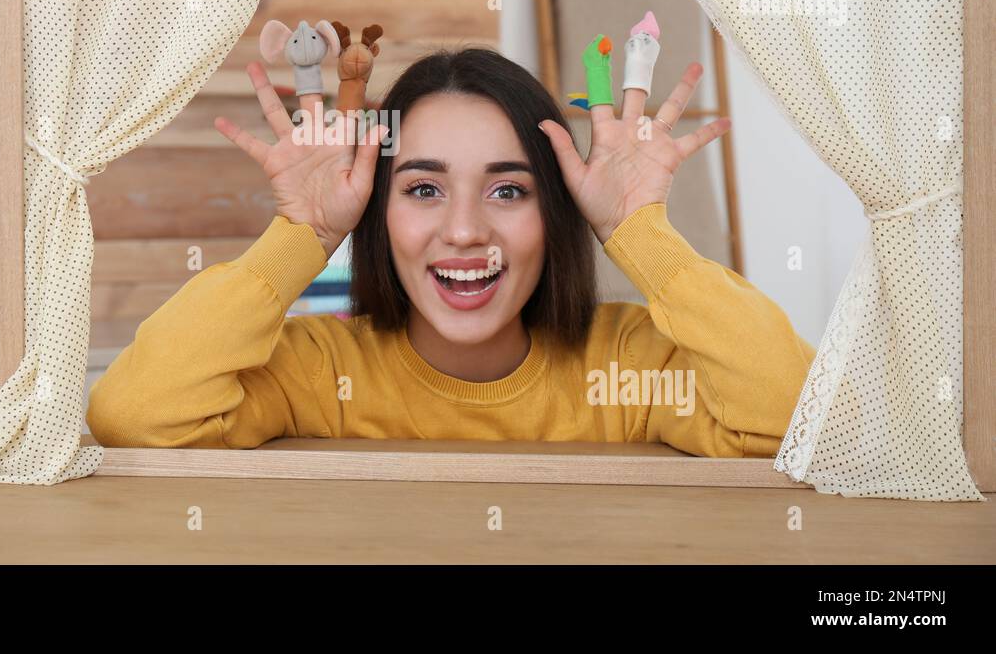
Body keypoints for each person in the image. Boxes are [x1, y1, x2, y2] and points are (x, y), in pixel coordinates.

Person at [86, 46, 816, 457]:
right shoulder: (317, 373)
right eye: (424, 190)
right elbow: (136, 414)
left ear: (555, 214)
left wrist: (638, 230)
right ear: (378, 215)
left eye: (508, 192)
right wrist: (299, 237)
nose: (465, 232)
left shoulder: (626, 367)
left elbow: (793, 416)